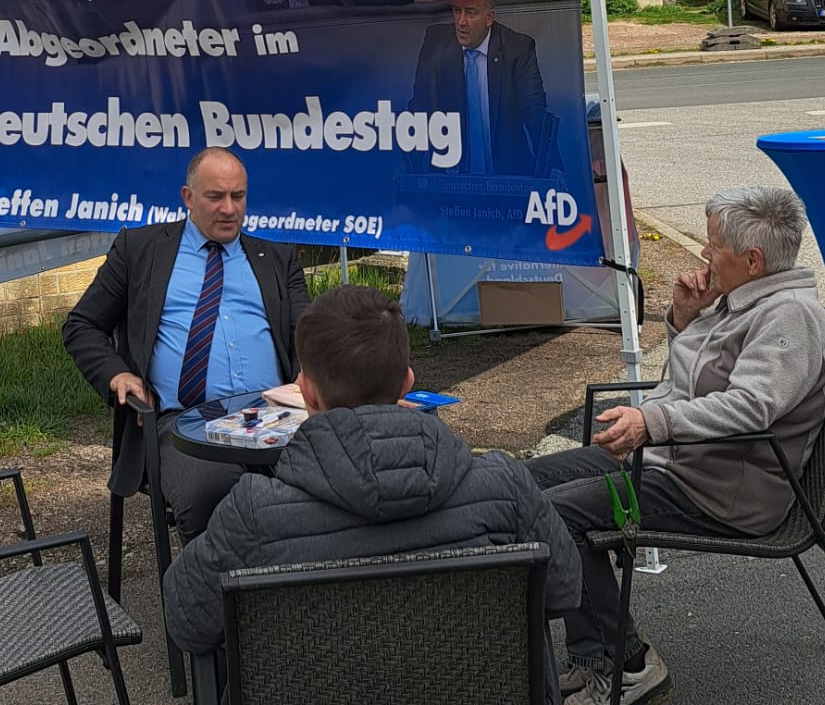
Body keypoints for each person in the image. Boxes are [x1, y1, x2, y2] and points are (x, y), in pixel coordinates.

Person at [163, 285, 581, 700]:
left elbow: (187, 622)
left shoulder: (254, 515)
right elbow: (564, 591)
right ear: (408, 382)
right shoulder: (505, 488)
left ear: (306, 392)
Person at [528, 186, 825, 703]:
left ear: (753, 260)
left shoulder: (788, 317)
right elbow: (697, 382)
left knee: (555, 514)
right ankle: (596, 656)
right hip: (681, 464)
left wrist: (653, 422)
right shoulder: (743, 298)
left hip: (719, 490)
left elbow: (750, 408)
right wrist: (684, 318)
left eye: (714, 244)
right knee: (522, 487)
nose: (704, 252)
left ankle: (626, 666)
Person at [61, 148, 308, 540]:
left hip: (275, 416)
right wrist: (118, 375)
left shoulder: (276, 259)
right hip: (186, 424)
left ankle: (299, 577)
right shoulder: (140, 250)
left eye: (238, 196)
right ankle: (217, 580)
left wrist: (312, 374)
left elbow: (307, 336)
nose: (229, 209)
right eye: (215, 197)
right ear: (188, 197)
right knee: (214, 493)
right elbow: (82, 325)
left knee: (327, 480)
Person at [410, 0, 548, 176]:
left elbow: (534, 110)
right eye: (456, 11)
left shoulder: (517, 47)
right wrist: (409, 161)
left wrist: (553, 167)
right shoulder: (436, 43)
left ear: (489, 17)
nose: (461, 22)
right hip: (451, 171)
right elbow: (422, 103)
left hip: (508, 172)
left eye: (470, 13)